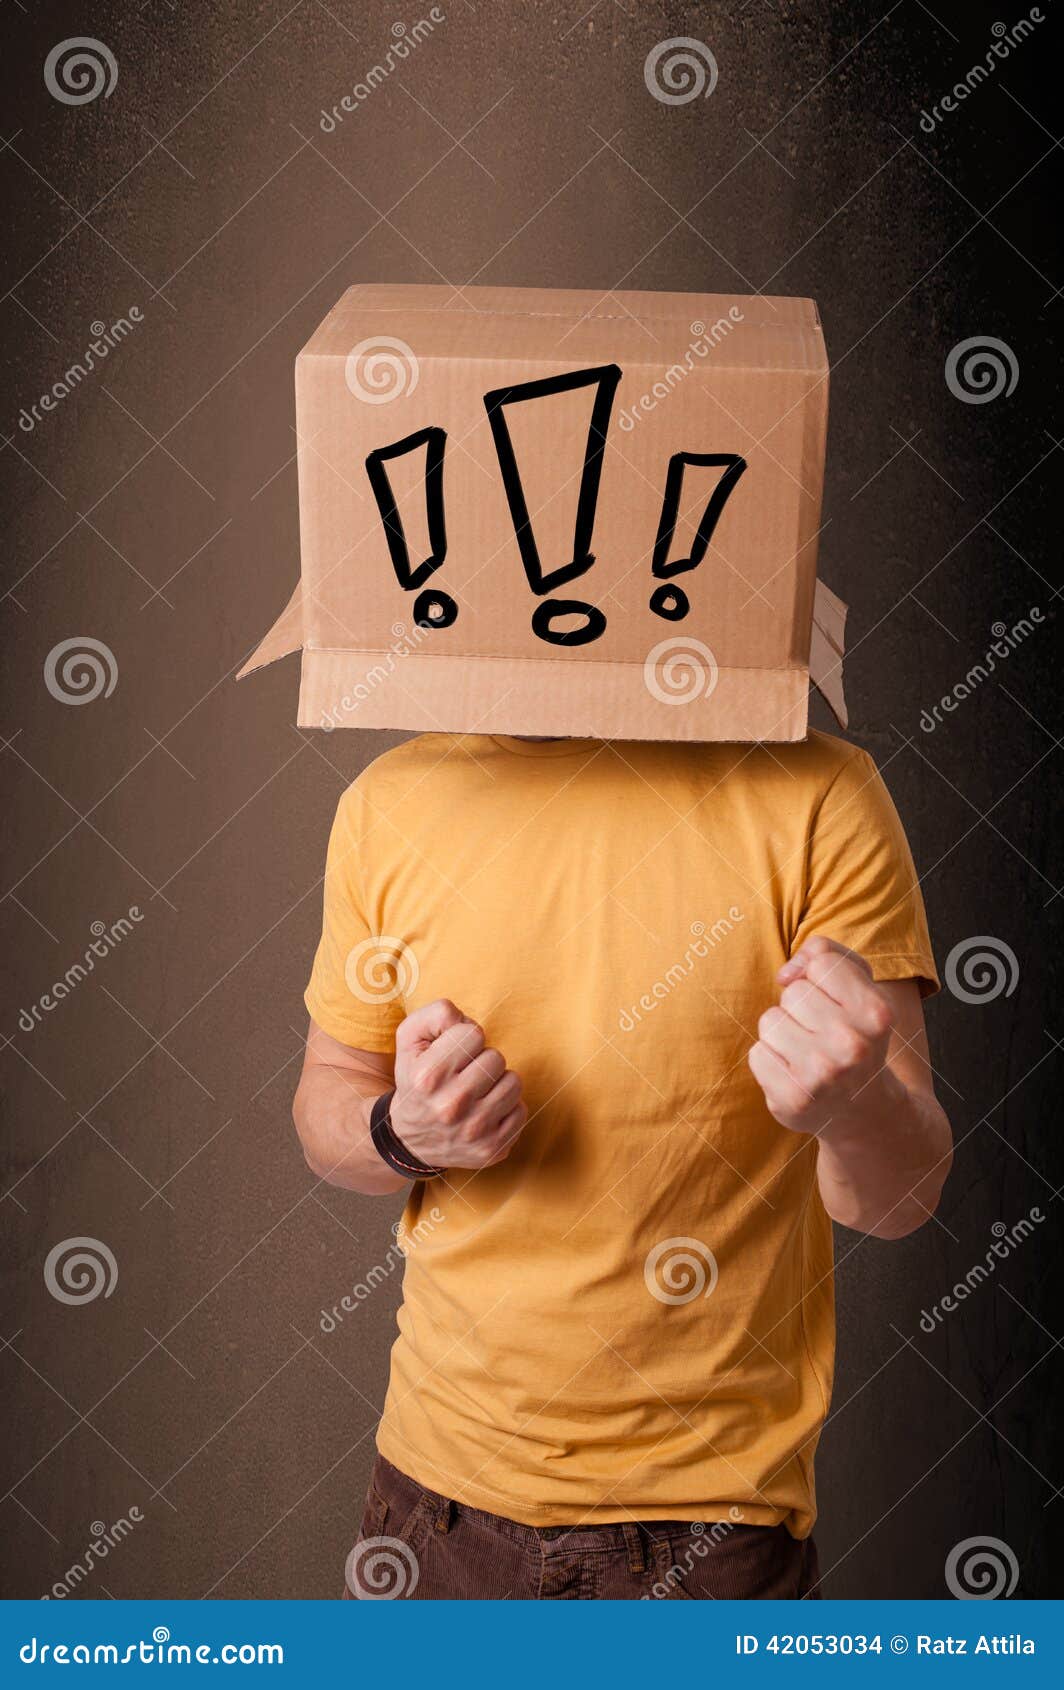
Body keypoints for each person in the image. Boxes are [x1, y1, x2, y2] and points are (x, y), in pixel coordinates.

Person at [293, 729, 952, 1600]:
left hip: (708, 1534)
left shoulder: (819, 791)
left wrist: (855, 1104)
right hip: (434, 1506)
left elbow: (904, 1199)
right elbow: (326, 1103)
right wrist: (401, 1132)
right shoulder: (391, 798)